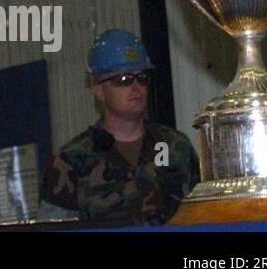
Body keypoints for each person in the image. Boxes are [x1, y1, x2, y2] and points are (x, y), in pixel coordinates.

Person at [40, 28, 199, 225]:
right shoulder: (70, 161)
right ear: (99, 89)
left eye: (142, 78)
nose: (136, 87)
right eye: (123, 79)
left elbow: (203, 216)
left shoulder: (175, 147)